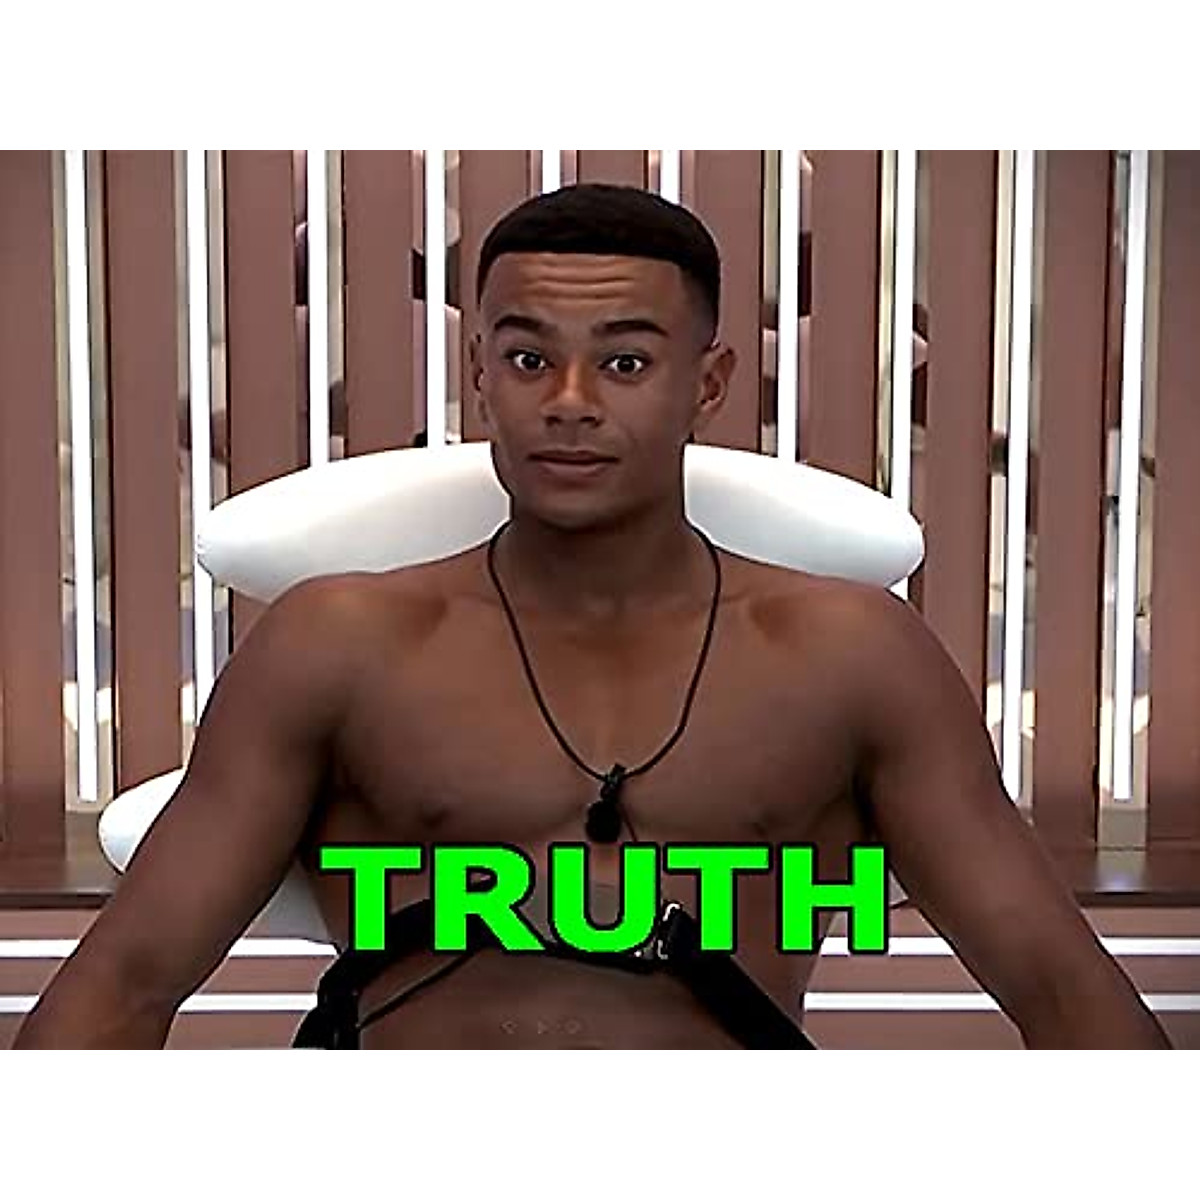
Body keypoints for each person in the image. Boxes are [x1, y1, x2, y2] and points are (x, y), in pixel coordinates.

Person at [16, 184, 1169, 1050]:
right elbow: (124, 984)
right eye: (529, 359)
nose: (568, 404)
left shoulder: (853, 658)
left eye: (624, 363)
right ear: (481, 375)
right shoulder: (336, 645)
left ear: (707, 386)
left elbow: (1063, 990)